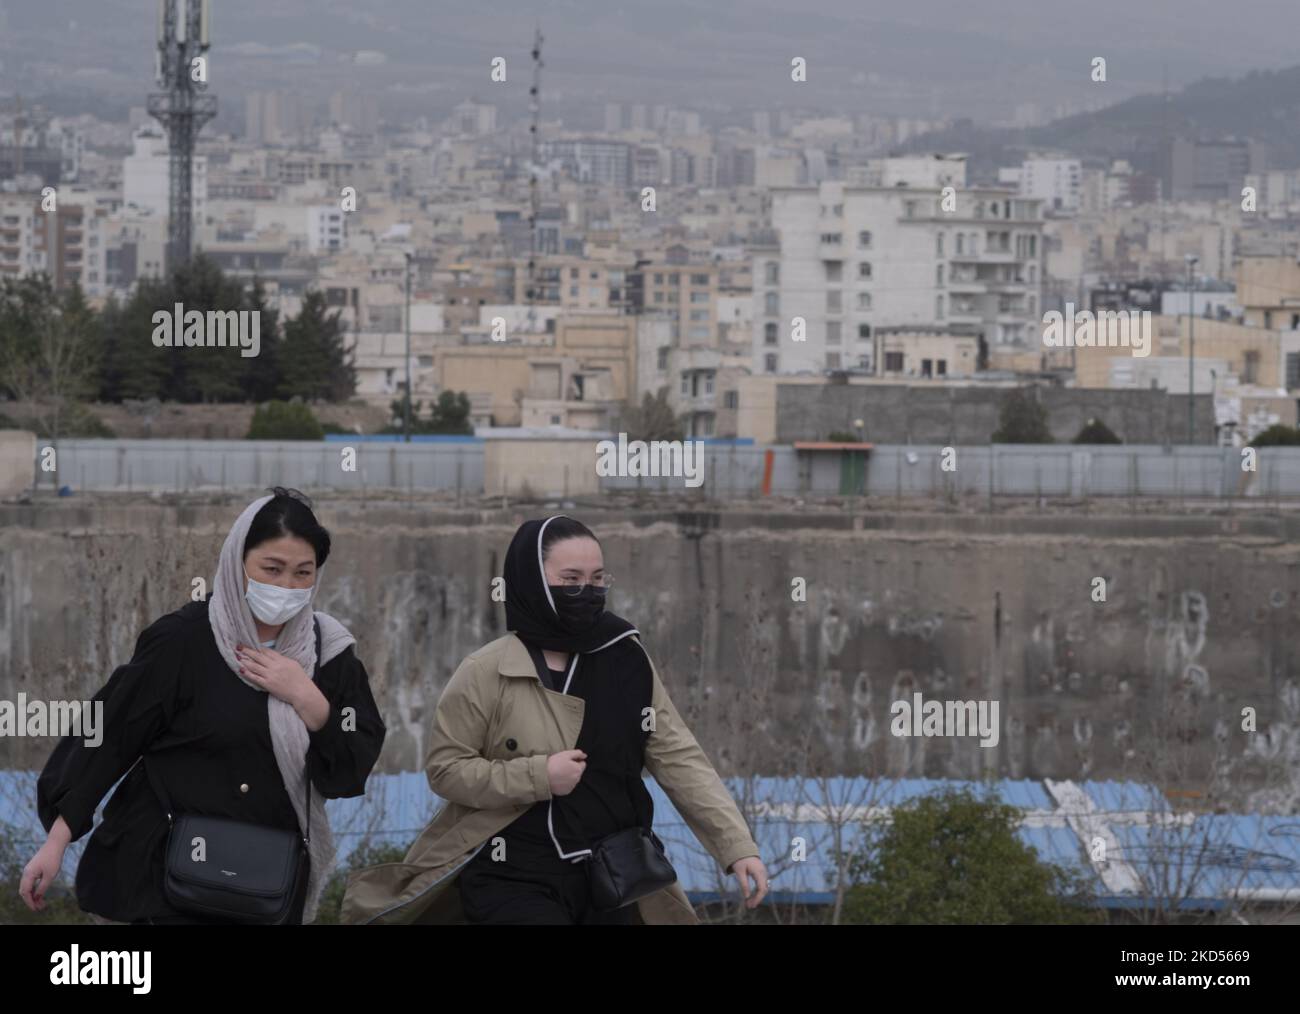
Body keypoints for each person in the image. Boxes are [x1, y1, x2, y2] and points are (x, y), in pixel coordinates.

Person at [341, 514, 767, 925]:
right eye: (570, 580)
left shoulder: (626, 657)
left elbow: (678, 756)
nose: (587, 591)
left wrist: (736, 846)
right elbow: (446, 770)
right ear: (532, 581)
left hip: (612, 872)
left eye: (597, 579)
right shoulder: (487, 670)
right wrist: (538, 775)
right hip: (511, 870)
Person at [20, 487, 386, 924]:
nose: (286, 586)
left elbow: (348, 769)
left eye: (302, 573)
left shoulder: (329, 656)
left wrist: (308, 699)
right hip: (160, 880)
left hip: (262, 887)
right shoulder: (183, 640)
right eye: (272, 569)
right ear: (237, 563)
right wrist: (57, 841)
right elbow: (110, 735)